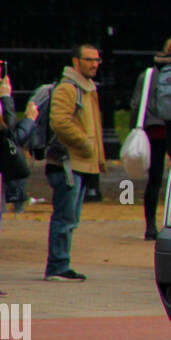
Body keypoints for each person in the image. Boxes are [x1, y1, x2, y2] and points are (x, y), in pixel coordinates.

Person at [45, 44, 107, 282]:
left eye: (97, 60)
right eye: (89, 59)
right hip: (67, 164)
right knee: (65, 217)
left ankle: (61, 263)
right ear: (76, 62)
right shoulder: (68, 88)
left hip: (79, 164)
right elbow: (60, 123)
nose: (94, 64)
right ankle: (58, 266)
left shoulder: (87, 88)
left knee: (70, 217)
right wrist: (86, 144)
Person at [129, 37, 171, 240]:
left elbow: (136, 104)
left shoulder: (148, 75)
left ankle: (150, 226)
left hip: (154, 129)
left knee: (154, 180)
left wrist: (134, 129)